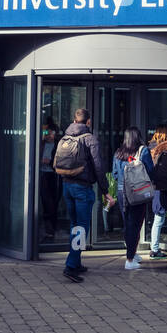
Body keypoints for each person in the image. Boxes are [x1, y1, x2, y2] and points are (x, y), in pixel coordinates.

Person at [55, 107, 104, 284]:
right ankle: (70, 266)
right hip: (82, 188)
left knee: (75, 225)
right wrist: (106, 191)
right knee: (81, 228)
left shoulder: (65, 137)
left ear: (75, 121)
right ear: (88, 122)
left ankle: (76, 262)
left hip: (67, 186)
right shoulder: (90, 139)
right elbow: (98, 167)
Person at [112, 127, 156, 271]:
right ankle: (129, 259)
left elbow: (115, 173)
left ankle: (132, 253)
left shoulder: (118, 152)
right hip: (137, 191)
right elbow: (150, 171)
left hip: (121, 192)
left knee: (128, 224)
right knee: (135, 225)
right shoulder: (143, 151)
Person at [147, 125, 167, 261]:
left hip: (154, 187)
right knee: (162, 218)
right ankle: (155, 249)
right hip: (165, 187)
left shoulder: (151, 148)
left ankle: (155, 248)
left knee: (158, 217)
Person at [38, 116, 61, 240]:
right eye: (46, 133)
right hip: (42, 174)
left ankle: (51, 228)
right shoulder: (40, 144)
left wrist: (50, 161)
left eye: (50, 133)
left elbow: (61, 160)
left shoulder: (58, 145)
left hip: (54, 175)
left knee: (52, 202)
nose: (48, 135)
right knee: (45, 202)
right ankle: (48, 229)